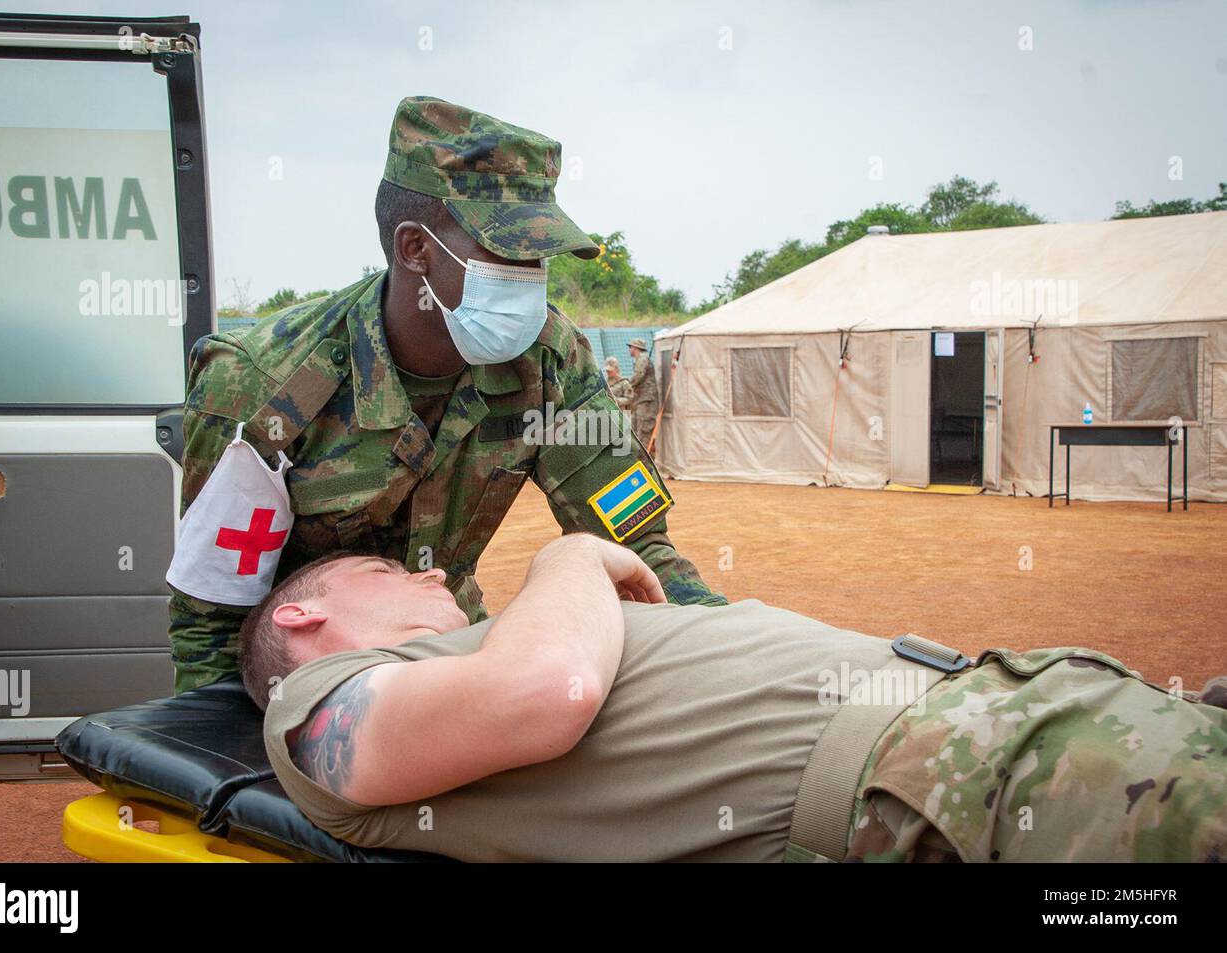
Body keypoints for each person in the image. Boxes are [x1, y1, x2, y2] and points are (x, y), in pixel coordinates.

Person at [167, 96, 724, 693]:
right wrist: (233, 769)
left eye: (540, 256)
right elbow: (211, 621)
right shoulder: (264, 384)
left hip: (460, 660)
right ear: (416, 249)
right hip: (316, 684)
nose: (533, 277)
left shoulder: (547, 361)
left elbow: (637, 547)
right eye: (510, 253)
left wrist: (736, 654)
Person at [248, 537, 1227, 863]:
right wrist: (568, 553)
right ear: (298, 615)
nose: (432, 575)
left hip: (1021, 719)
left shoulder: (496, 636)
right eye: (387, 566)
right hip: (975, 773)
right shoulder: (311, 709)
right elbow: (548, 691)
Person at [626, 338, 660, 449]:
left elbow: (638, 377)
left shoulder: (642, 359)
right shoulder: (640, 359)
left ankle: (645, 463)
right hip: (641, 401)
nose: (629, 349)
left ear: (635, 348)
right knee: (636, 432)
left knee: (643, 434)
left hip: (647, 402)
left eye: (631, 347)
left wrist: (626, 385)